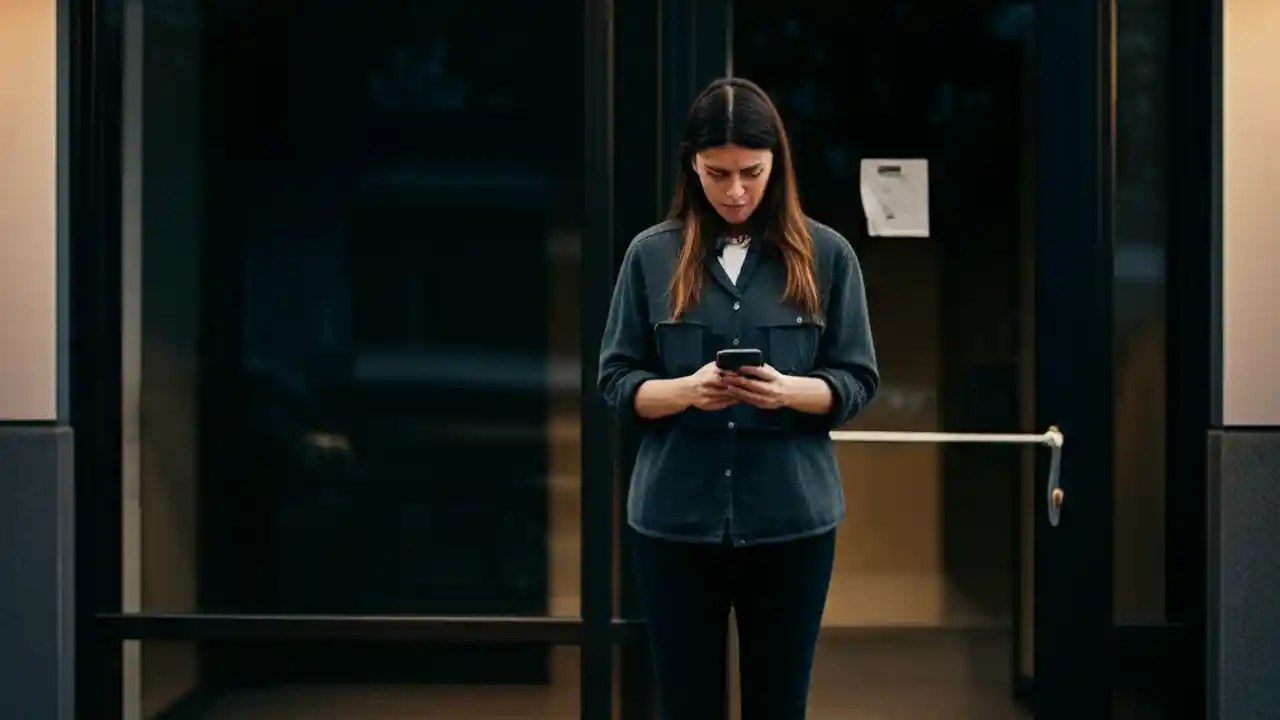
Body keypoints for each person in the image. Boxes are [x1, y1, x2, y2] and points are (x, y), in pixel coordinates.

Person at [597, 76, 880, 719]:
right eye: (717, 173)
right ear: (692, 166)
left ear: (776, 164)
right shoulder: (650, 255)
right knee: (686, 704)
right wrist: (686, 391)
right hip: (674, 523)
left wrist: (789, 391)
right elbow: (616, 383)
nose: (735, 191)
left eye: (751, 173)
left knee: (779, 703)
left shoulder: (828, 255)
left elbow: (857, 379)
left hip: (791, 524)